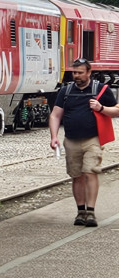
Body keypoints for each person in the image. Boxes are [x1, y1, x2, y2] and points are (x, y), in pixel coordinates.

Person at [48, 58, 116, 226]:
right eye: (74, 72)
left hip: (92, 139)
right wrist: (54, 136)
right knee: (76, 176)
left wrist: (101, 108)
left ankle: (91, 212)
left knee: (90, 172)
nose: (76, 76)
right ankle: (81, 211)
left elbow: (116, 111)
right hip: (71, 140)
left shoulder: (101, 90)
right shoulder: (66, 91)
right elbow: (55, 115)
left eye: (80, 73)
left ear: (89, 73)